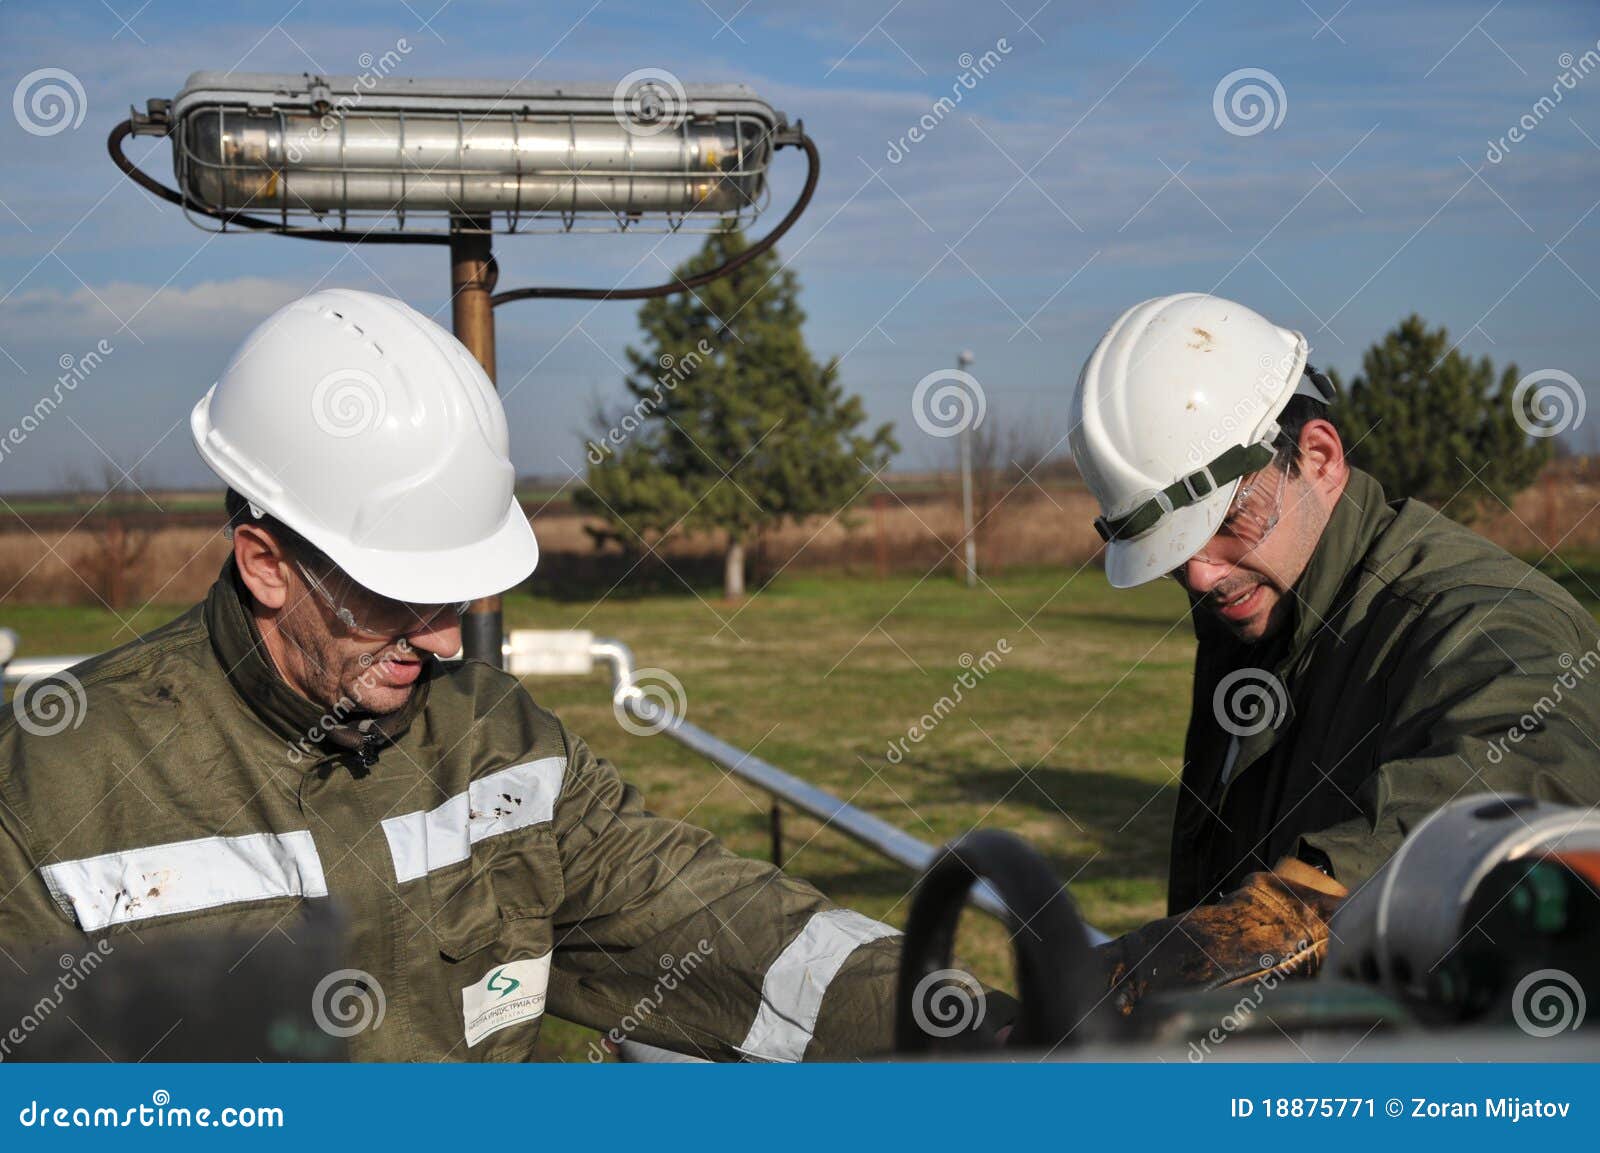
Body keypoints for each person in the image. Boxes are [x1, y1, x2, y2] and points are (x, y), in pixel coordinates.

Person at [0, 289, 910, 1061]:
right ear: (267, 563)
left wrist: (951, 1014)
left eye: (459, 597)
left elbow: (710, 921)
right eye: (402, 595)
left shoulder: (499, 743)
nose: (442, 642)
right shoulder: (52, 788)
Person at [1069, 293, 1600, 1013]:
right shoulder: (1258, 609)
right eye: (1173, 550)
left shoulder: (1484, 617)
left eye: (1228, 520)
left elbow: (1526, 771)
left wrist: (1288, 906)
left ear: (1318, 457)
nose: (1199, 573)